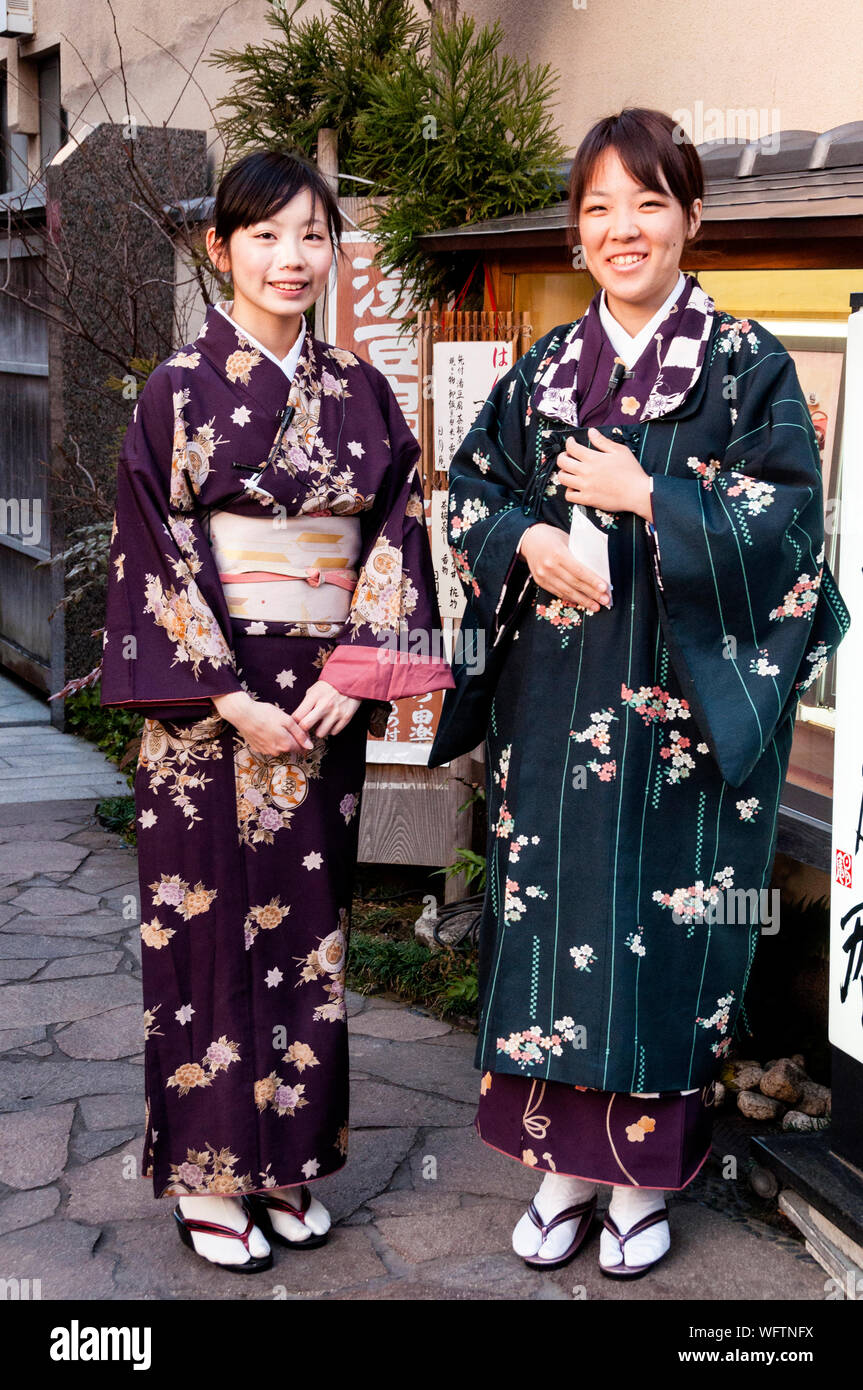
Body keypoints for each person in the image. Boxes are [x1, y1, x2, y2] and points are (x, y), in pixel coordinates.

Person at [430, 107, 850, 1278]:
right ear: (577, 233)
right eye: (599, 208)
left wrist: (646, 496)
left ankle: (640, 1183)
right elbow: (467, 488)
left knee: (662, 941)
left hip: (679, 723)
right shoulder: (545, 370)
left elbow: (789, 536)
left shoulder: (746, 364)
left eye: (648, 204)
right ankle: (562, 1167)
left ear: (689, 218)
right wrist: (522, 542)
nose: (623, 229)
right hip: (555, 706)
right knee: (551, 924)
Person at [100, 148, 453, 1272]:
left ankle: (290, 1159)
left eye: (311, 234)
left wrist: (353, 672)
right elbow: (152, 556)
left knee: (308, 937)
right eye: (265, 235)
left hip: (320, 709)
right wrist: (228, 695)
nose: (291, 258)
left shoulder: (359, 390)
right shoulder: (177, 391)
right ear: (222, 249)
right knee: (205, 936)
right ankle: (213, 1176)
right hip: (210, 717)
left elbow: (398, 525)